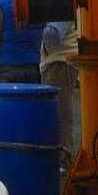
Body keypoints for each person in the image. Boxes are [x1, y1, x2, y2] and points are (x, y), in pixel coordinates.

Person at [40, 19, 79, 177]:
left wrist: (33, 26)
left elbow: (56, 33)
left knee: (60, 112)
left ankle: (65, 159)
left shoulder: (61, 4)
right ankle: (61, 157)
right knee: (55, 112)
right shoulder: (57, 2)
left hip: (60, 62)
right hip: (54, 61)